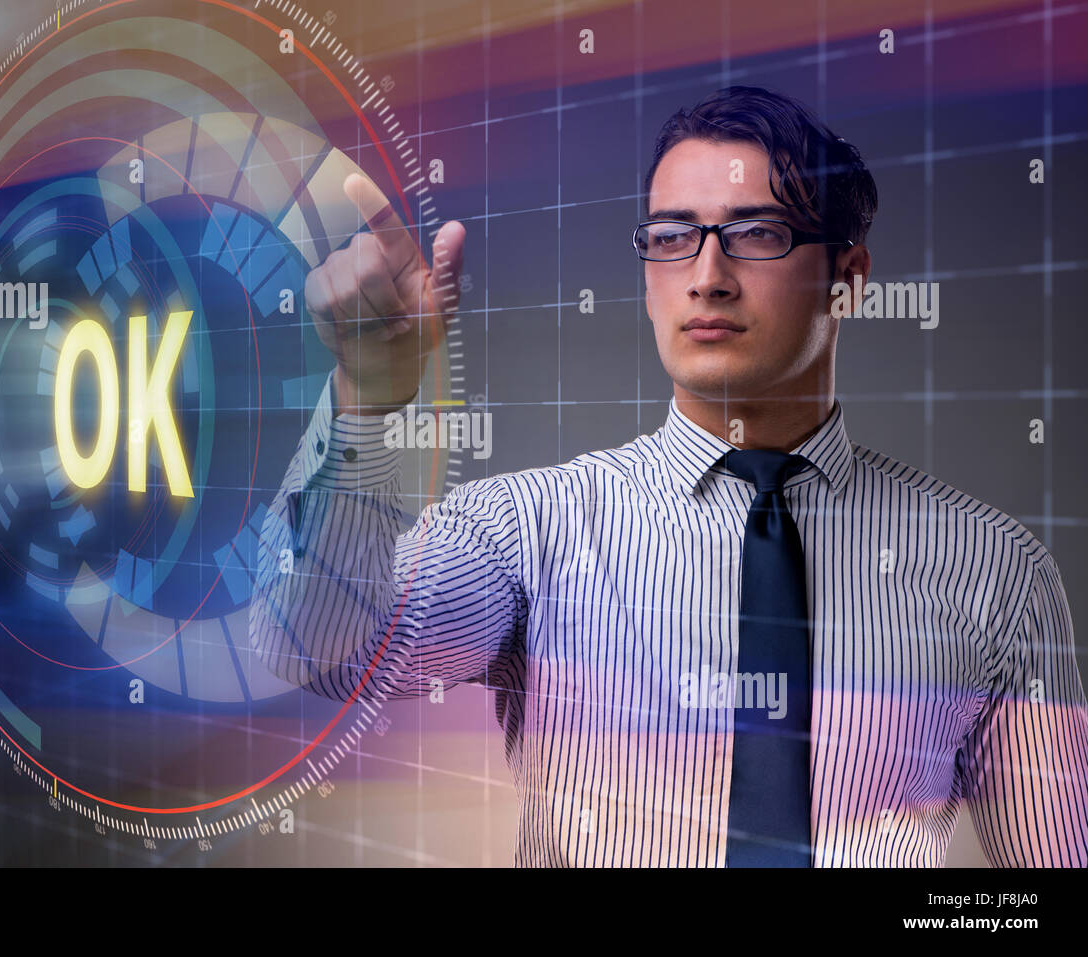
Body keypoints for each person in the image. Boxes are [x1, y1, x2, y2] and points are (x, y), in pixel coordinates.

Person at [251, 86, 1088, 866]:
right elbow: (320, 649)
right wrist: (366, 397)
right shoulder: (531, 528)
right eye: (672, 235)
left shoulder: (993, 567)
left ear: (848, 280)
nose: (708, 275)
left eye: (758, 233)